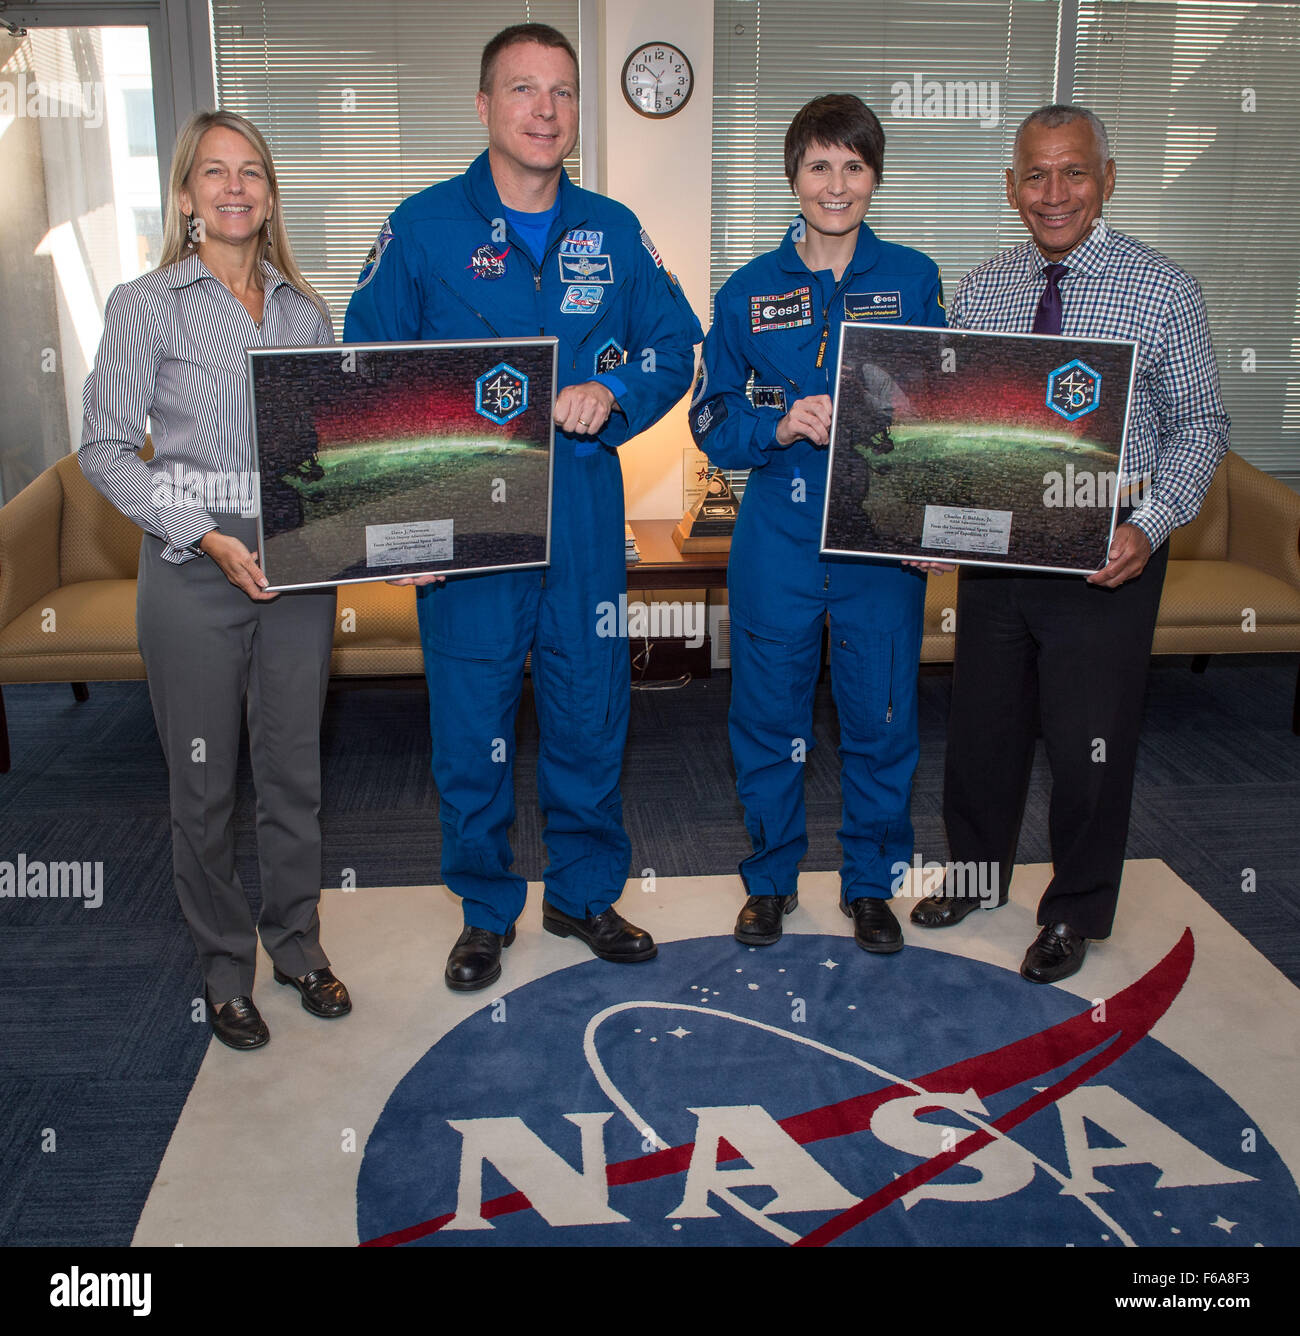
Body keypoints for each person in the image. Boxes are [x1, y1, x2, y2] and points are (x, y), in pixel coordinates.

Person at [344, 23, 702, 992]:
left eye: (563, 92)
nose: (545, 110)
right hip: (463, 521)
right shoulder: (419, 228)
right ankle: (484, 909)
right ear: (485, 107)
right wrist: (391, 527)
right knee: (472, 721)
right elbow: (366, 378)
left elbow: (676, 348)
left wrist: (617, 392)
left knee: (590, 709)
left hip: (582, 506)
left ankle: (584, 894)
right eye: (523, 90)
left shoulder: (615, 231)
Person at [909, 105, 1229, 983]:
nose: (1056, 194)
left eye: (1074, 172)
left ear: (1108, 179)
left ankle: (1076, 911)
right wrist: (936, 516)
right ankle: (976, 879)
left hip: (1105, 552)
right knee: (984, 732)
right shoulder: (984, 288)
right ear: (1011, 189)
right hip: (1001, 551)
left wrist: (1148, 526)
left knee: (1091, 742)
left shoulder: (1163, 288)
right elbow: (958, 424)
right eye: (1037, 176)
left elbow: (1202, 427)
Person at [80, 110, 350, 1050]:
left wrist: (387, 532)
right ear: (187, 196)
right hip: (193, 564)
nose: (234, 188)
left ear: (270, 196)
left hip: (295, 565)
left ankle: (299, 946)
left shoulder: (305, 311)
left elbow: (325, 452)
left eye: (252, 174)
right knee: (205, 785)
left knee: (293, 771)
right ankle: (224, 969)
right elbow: (106, 451)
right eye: (214, 173)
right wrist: (204, 532)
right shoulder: (142, 304)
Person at [690, 95, 943, 953]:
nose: (837, 185)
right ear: (793, 177)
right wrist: (778, 426)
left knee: (879, 716)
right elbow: (709, 420)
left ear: (875, 177)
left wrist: (938, 523)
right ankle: (770, 881)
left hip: (879, 542)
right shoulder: (747, 291)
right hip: (779, 537)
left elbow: (942, 414)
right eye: (819, 166)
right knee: (768, 716)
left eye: (855, 166)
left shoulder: (913, 278)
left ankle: (871, 884)